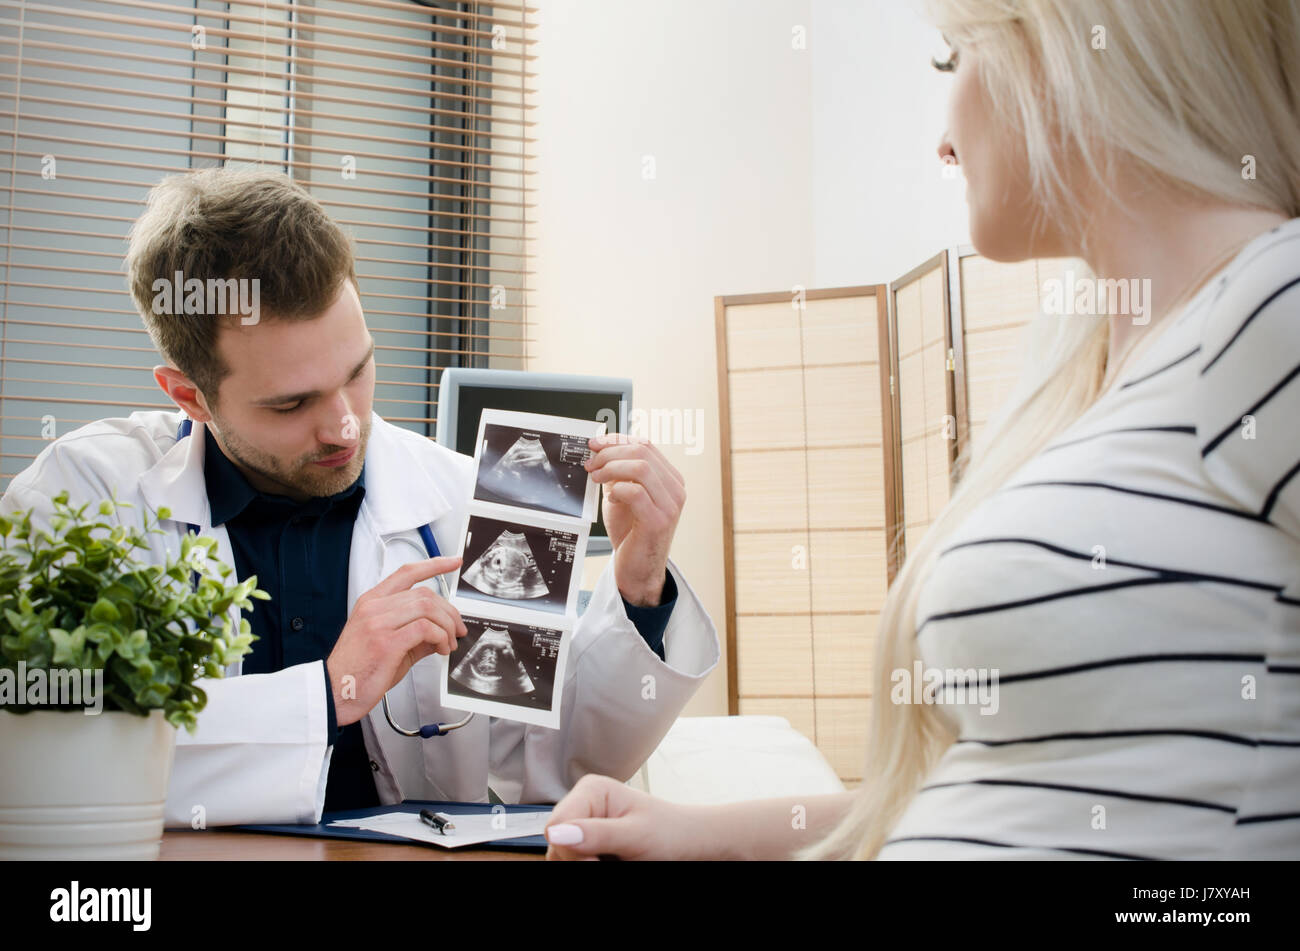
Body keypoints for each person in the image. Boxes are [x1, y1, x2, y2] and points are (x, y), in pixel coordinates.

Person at [543, 0, 1300, 860]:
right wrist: (688, 833)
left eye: (953, 61)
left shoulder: (1271, 309)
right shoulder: (1093, 371)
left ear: (1060, 51)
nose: (943, 143)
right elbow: (1001, 787)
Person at [1, 166, 720, 827]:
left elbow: (553, 769)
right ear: (189, 395)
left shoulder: (480, 498)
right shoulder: (84, 499)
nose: (345, 423)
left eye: (359, 370)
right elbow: (43, 752)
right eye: (292, 404)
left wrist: (638, 574)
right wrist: (332, 688)